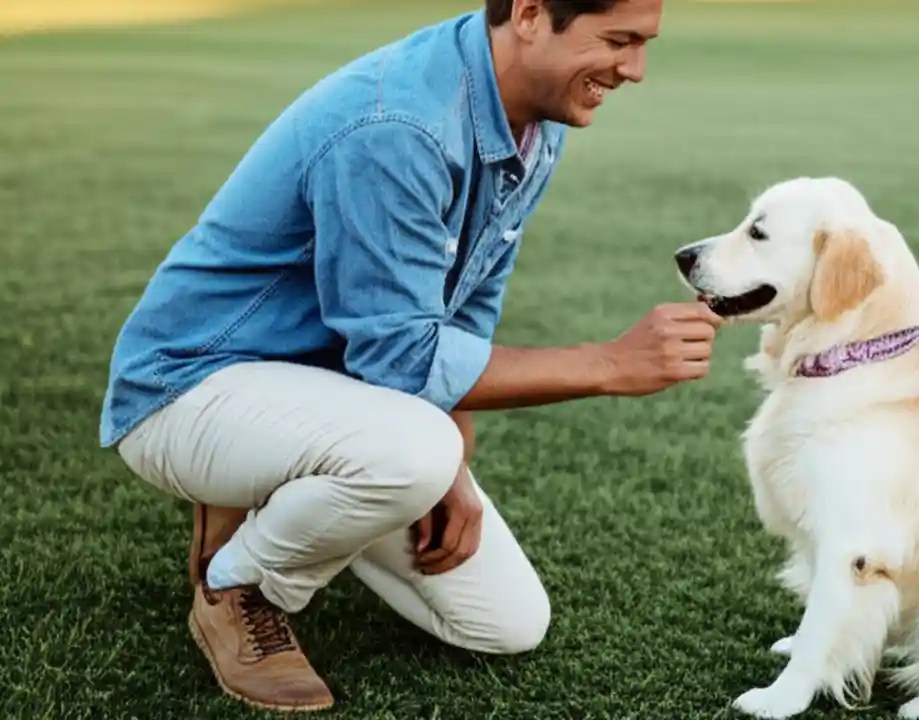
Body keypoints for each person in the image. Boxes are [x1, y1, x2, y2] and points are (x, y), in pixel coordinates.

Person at [98, 0, 719, 712]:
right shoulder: (399, 125)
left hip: (338, 397)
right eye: (618, 40)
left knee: (507, 623)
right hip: (189, 388)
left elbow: (464, 312)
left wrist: (446, 464)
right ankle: (237, 585)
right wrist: (610, 366)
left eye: (644, 44)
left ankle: (275, 490)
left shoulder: (537, 122)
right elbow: (402, 359)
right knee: (414, 453)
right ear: (527, 13)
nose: (635, 69)